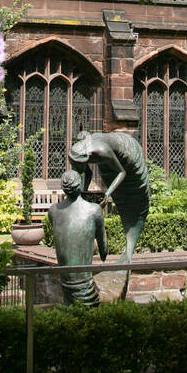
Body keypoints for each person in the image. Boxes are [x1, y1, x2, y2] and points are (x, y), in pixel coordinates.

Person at [67, 130, 150, 299]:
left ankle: (128, 253)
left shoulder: (100, 150)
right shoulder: (79, 150)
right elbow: (88, 173)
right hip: (112, 161)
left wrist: (108, 193)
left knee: (134, 206)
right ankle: (125, 260)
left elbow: (122, 173)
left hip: (128, 156)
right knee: (125, 205)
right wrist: (84, 190)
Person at [48, 169, 107, 306]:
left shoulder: (53, 211)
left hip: (65, 281)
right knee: (88, 312)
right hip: (84, 283)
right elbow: (104, 251)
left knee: (70, 311)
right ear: (80, 186)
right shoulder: (94, 210)